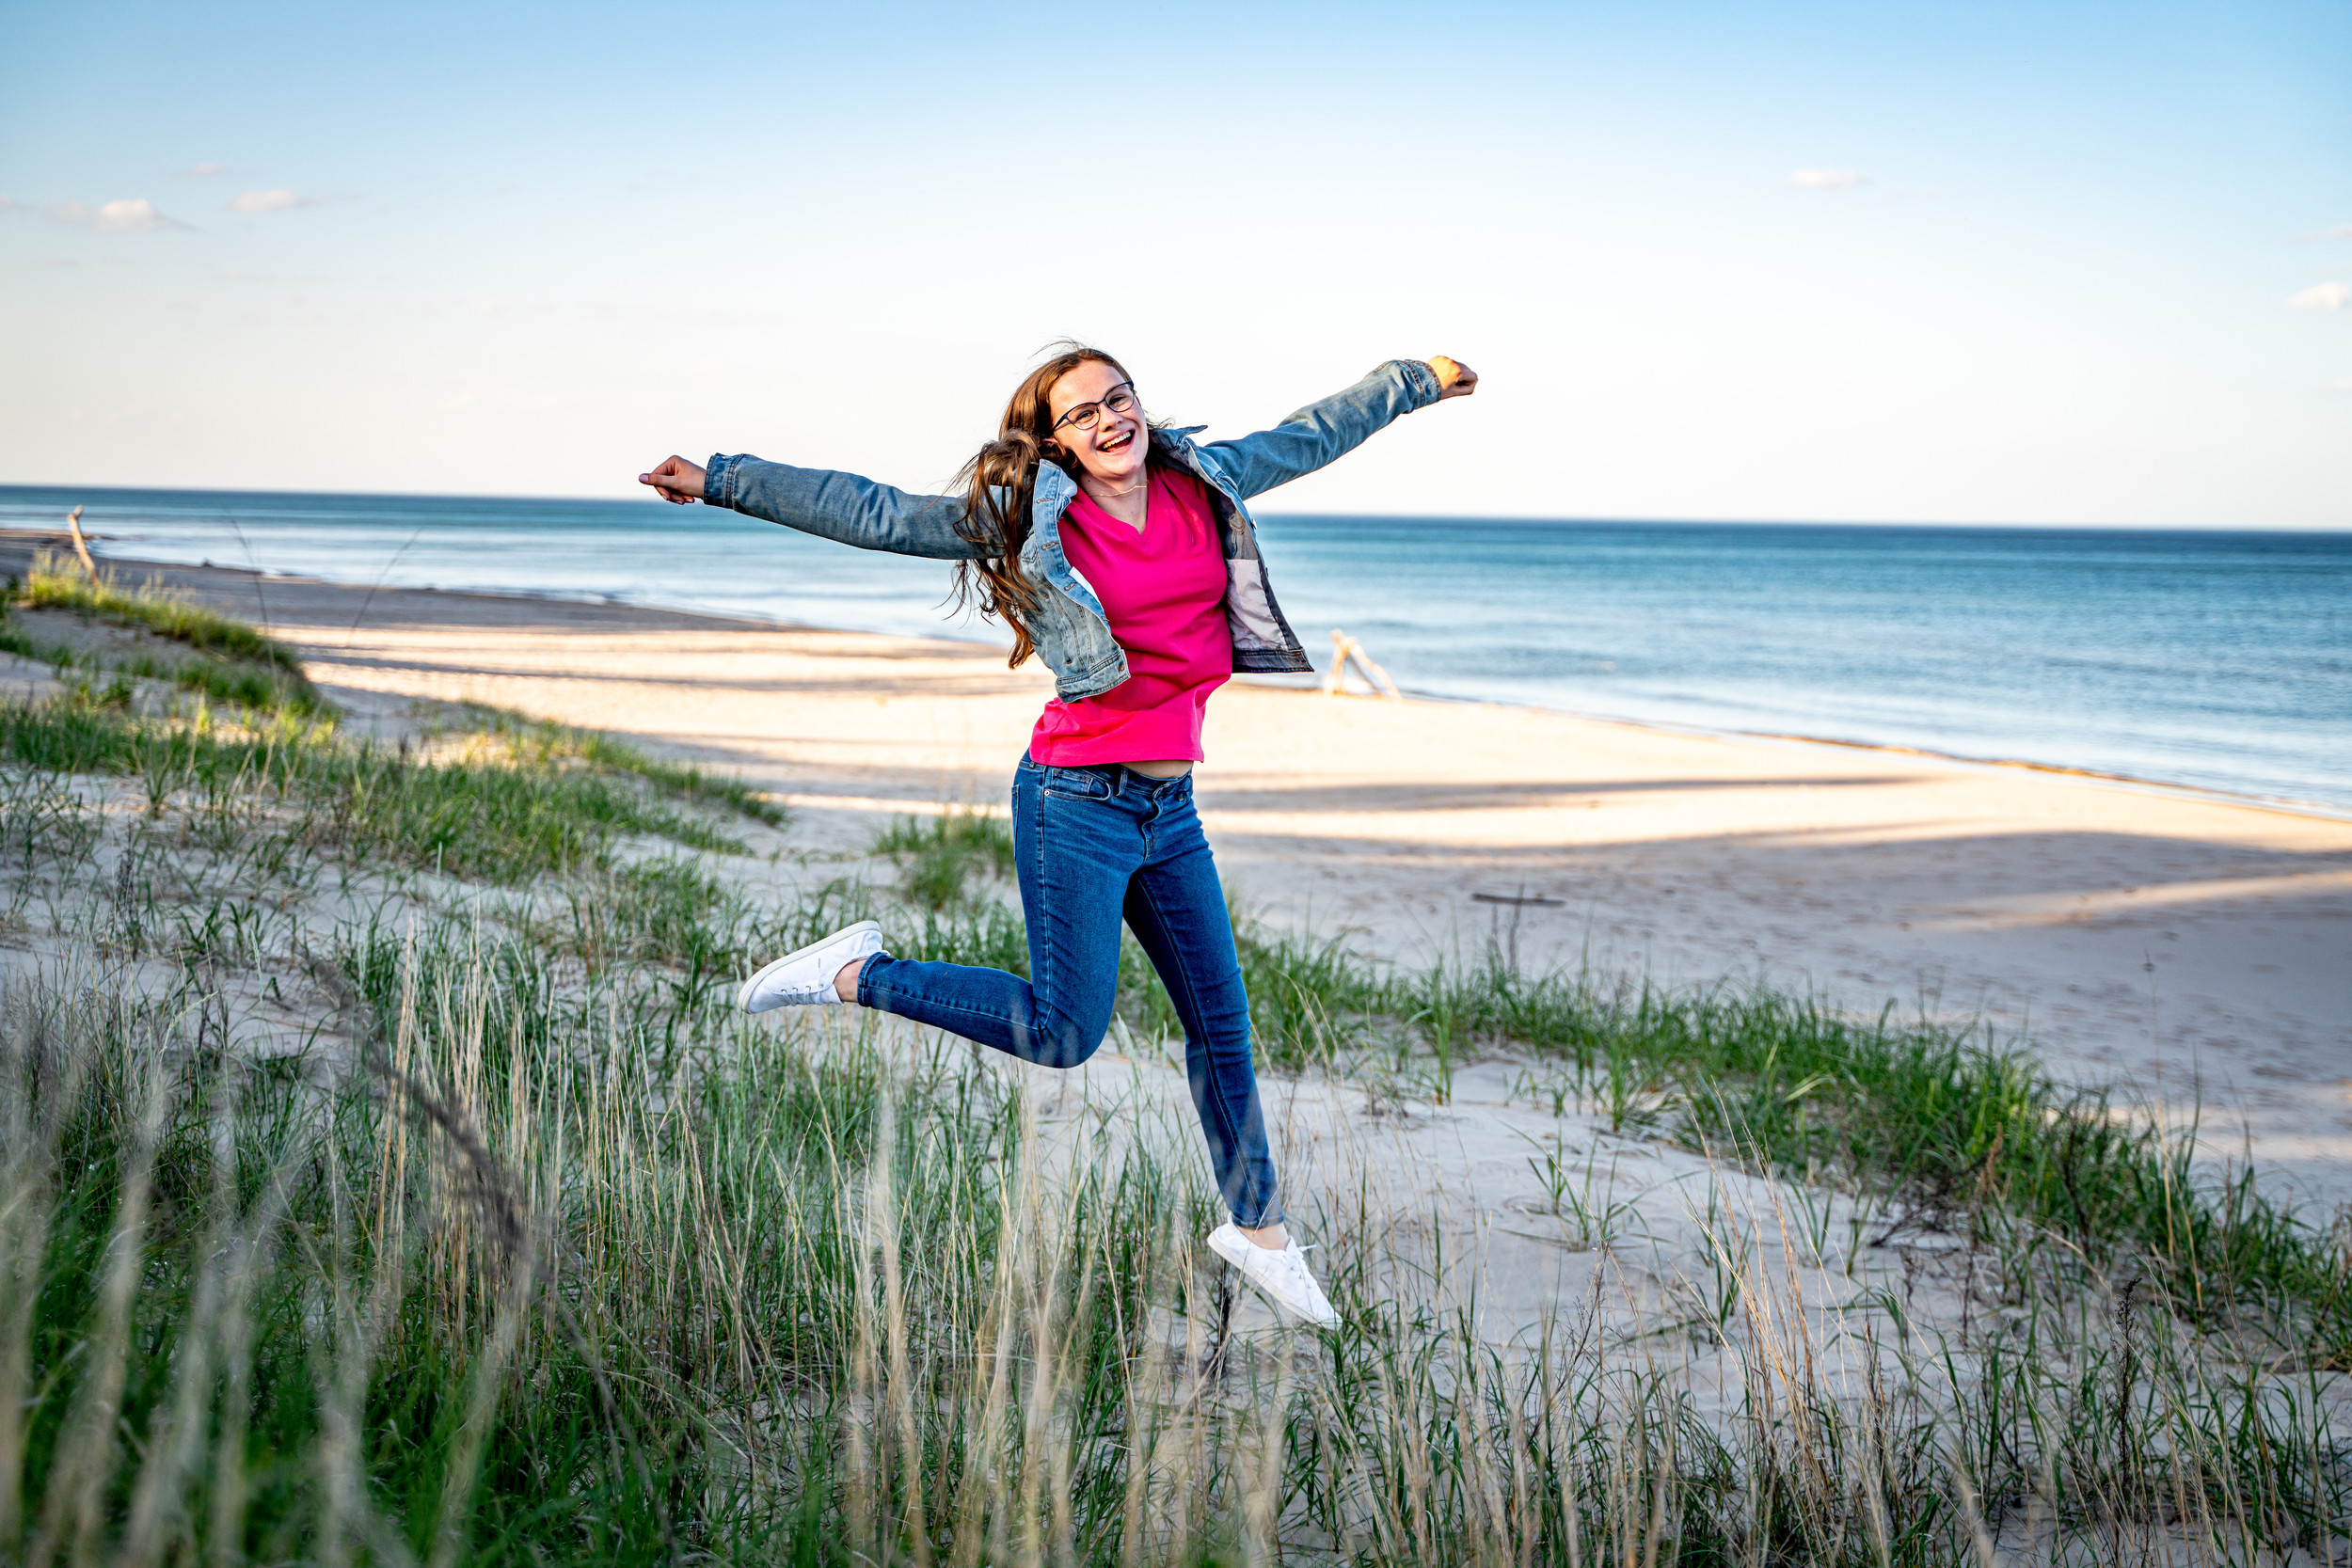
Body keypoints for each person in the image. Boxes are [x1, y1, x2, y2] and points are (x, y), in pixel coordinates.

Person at [639, 345, 1477, 1324]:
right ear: (1054, 441)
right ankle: (856, 974)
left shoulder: (1202, 481)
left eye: (1118, 398)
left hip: (1171, 809)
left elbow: (1314, 431)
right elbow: (872, 511)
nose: (1109, 420)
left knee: (1222, 1026)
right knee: (1061, 1031)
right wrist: (723, 480)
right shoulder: (1035, 517)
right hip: (1073, 802)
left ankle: (1258, 1230)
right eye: (1082, 414)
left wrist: (1417, 379)